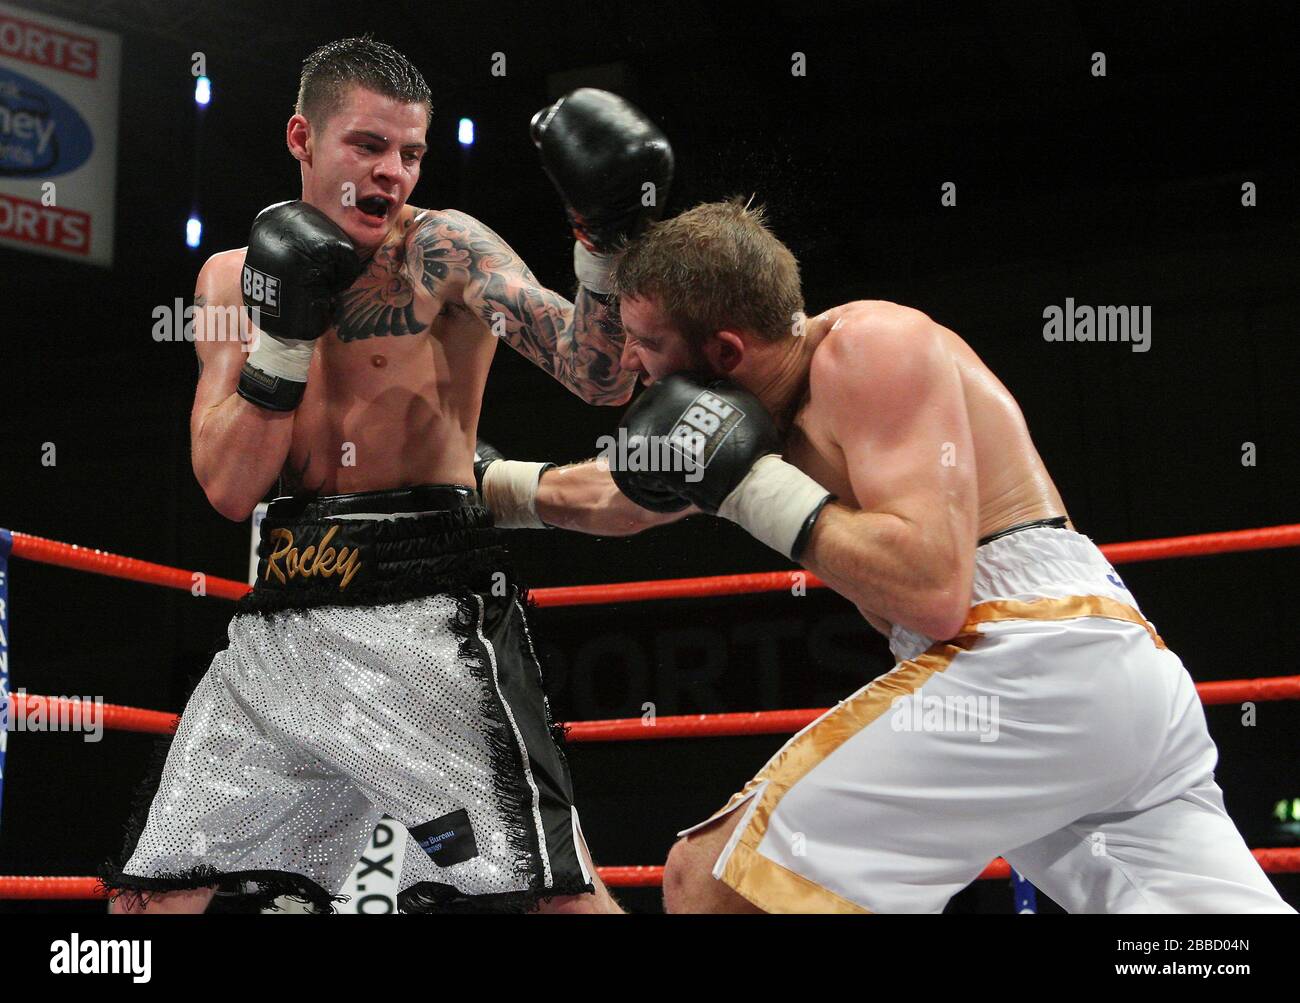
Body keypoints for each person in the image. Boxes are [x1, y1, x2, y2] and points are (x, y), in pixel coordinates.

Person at [493, 197, 1295, 914]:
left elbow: (933, 588)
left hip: (1028, 649)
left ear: (727, 350)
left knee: (710, 881)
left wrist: (747, 483)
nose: (630, 365)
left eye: (647, 344)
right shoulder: (748, 418)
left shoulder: (871, 346)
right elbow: (619, 494)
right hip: (1096, 686)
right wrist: (480, 485)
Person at [103, 36, 671, 914]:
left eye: (410, 152)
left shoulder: (442, 250)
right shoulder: (230, 278)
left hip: (422, 620)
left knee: (544, 897)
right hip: (281, 624)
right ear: (302, 137)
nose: (392, 173)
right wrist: (283, 334)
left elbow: (597, 374)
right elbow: (228, 488)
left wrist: (604, 239)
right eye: (367, 146)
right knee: (153, 902)